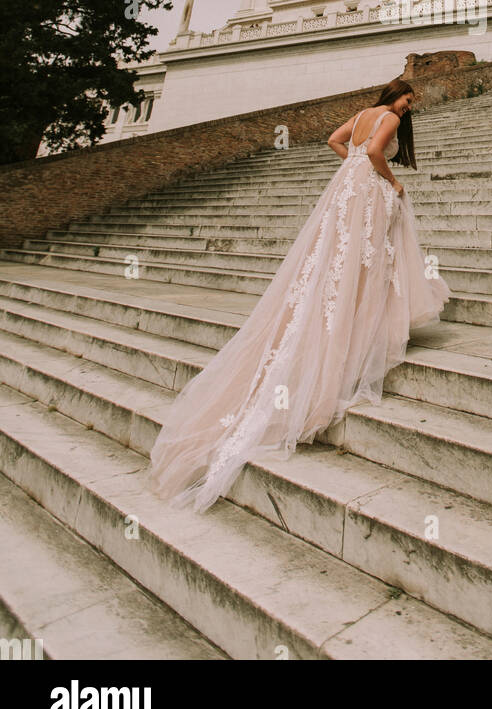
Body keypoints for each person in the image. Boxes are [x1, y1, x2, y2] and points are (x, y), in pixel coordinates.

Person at [147, 77, 450, 514]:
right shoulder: (384, 117)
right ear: (395, 96)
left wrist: (352, 165)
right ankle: (359, 322)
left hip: (346, 188)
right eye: (407, 99)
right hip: (367, 192)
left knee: (342, 258)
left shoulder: (361, 114)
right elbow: (378, 153)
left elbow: (334, 140)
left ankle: (348, 315)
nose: (407, 107)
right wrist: (392, 183)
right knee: (366, 259)